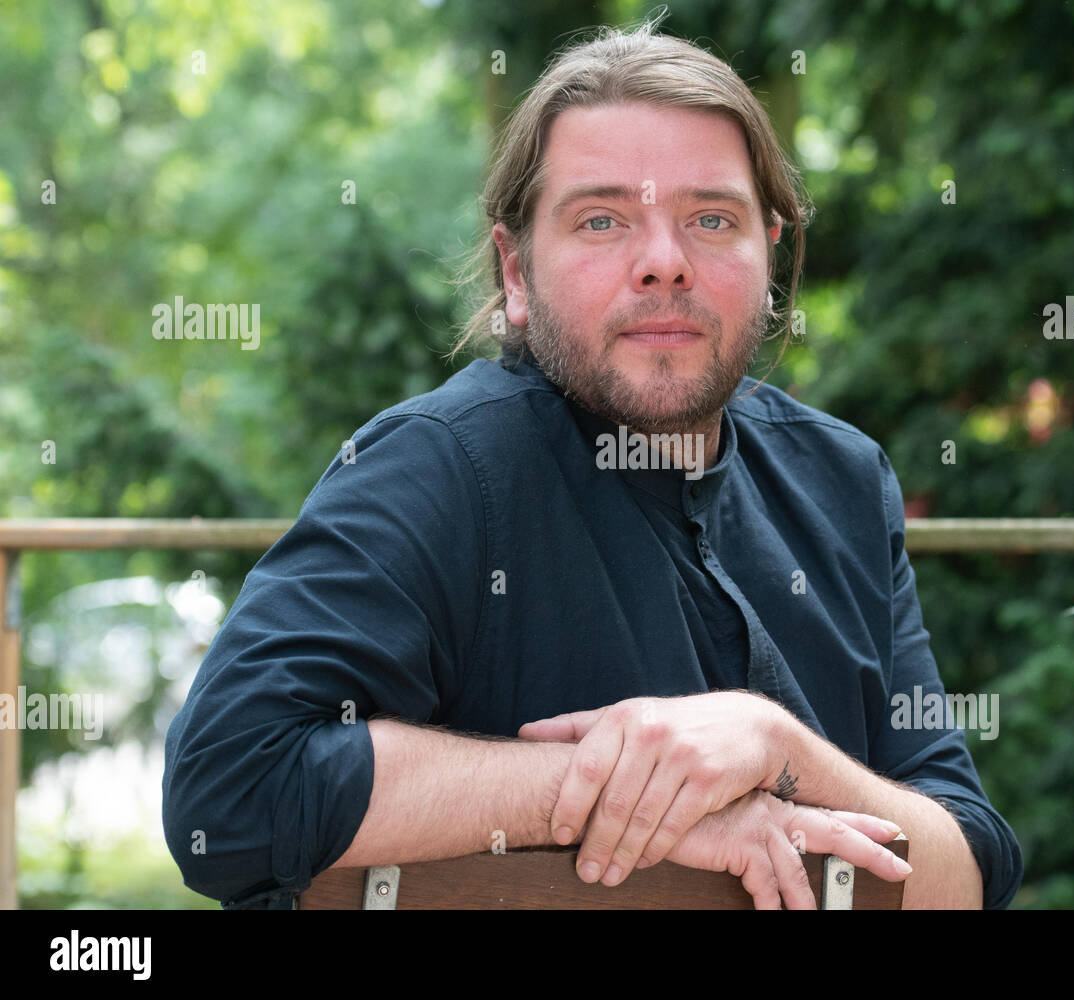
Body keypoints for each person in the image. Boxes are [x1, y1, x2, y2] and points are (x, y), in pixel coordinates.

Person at [162, 13, 1023, 910]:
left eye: (712, 219)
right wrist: (629, 798)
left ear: (770, 251)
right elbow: (226, 791)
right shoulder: (439, 468)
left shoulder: (845, 480)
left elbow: (968, 872)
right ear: (517, 273)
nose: (663, 263)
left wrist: (780, 749)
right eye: (602, 219)